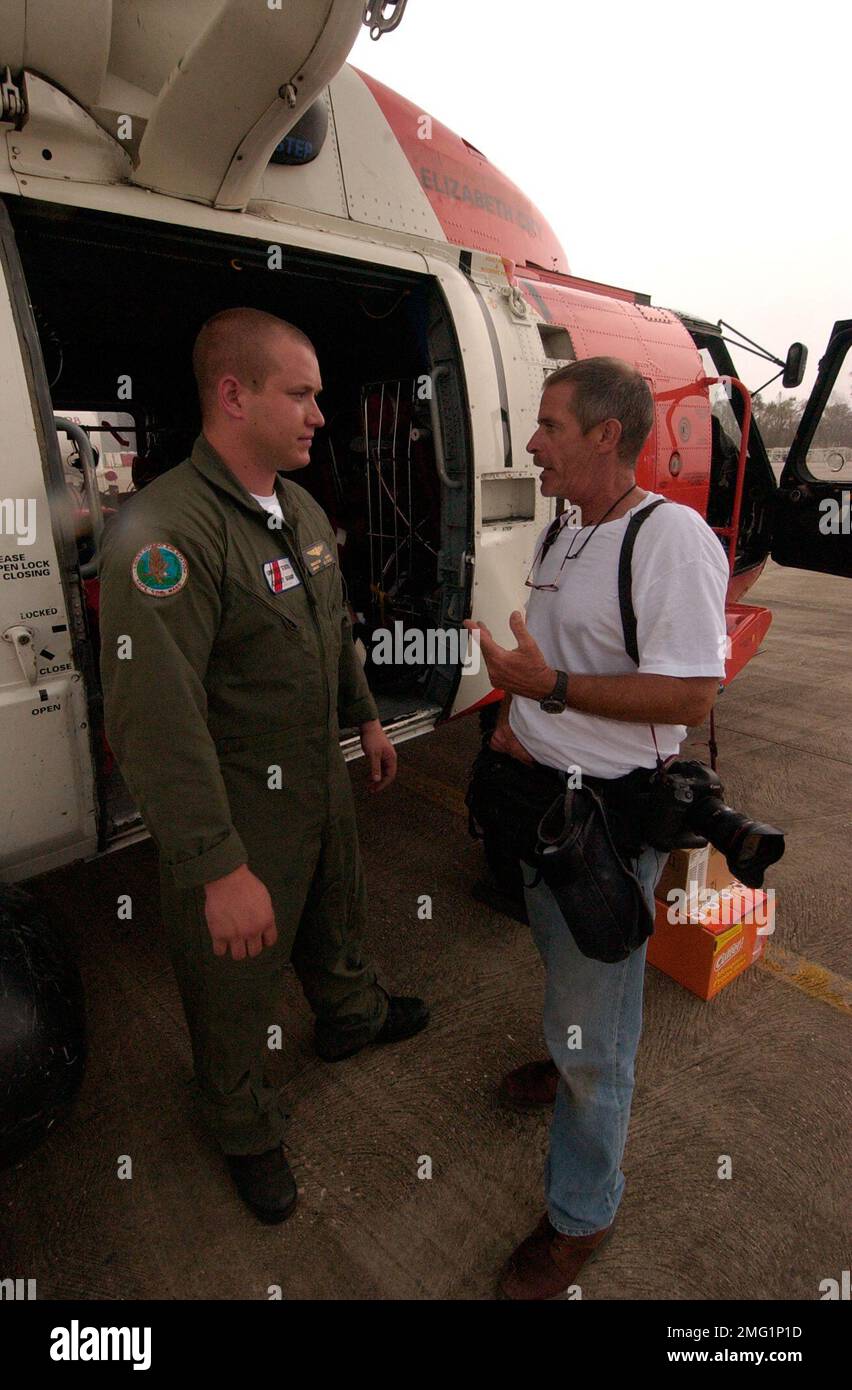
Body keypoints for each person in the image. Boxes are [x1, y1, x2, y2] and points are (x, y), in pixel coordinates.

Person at [98, 307, 429, 1224]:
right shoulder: (164, 533)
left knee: (336, 909)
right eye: (303, 394)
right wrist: (216, 865)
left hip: (317, 777)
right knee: (234, 980)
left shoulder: (301, 504)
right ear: (235, 396)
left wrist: (364, 720)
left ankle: (352, 1015)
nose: (321, 414)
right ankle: (242, 1122)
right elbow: (154, 721)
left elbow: (331, 633)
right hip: (239, 809)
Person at [465, 356, 728, 1299]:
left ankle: (584, 1213)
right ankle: (572, 1042)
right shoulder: (564, 530)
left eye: (547, 425)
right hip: (536, 800)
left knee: (597, 1025)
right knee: (566, 965)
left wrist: (556, 691)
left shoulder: (671, 540)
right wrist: (514, 720)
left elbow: (694, 691)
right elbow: (552, 656)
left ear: (605, 436)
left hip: (605, 822)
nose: (530, 442)